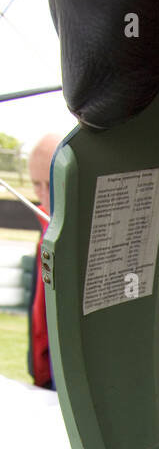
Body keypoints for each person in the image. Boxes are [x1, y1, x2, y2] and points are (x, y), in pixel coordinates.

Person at [27, 133, 63, 389]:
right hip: (44, 376)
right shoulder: (43, 227)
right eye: (36, 184)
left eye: (50, 184)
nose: (43, 195)